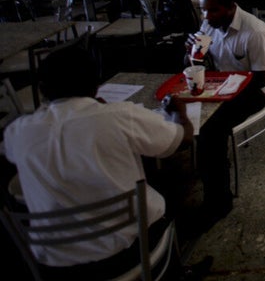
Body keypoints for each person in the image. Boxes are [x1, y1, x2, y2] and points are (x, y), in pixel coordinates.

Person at [2, 45, 193, 277]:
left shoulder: (17, 132)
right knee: (170, 189)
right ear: (96, 84)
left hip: (55, 267)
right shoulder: (120, 116)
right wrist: (180, 114)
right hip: (126, 254)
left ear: (42, 89)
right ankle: (176, 272)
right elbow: (181, 140)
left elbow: (20, 151)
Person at [191, 0, 265, 221]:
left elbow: (260, 80)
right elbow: (197, 60)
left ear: (230, 7)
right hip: (221, 85)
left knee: (211, 128)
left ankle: (219, 201)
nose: (206, 17)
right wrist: (194, 55)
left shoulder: (255, 31)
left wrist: (223, 93)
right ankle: (205, 167)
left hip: (252, 90)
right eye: (203, 10)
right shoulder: (209, 25)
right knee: (183, 110)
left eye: (212, 10)